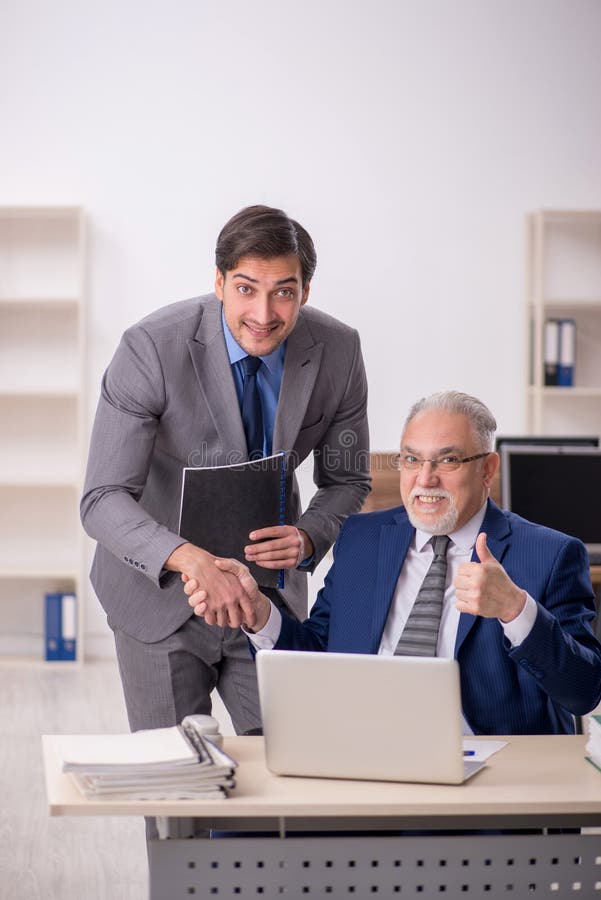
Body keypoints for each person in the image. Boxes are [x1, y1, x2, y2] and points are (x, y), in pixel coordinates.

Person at [81, 204, 370, 741]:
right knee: (176, 797)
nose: (263, 312)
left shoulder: (340, 351)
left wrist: (309, 536)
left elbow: (348, 479)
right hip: (158, 598)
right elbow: (102, 497)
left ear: (305, 291)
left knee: (293, 773)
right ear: (218, 282)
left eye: (283, 291)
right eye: (245, 288)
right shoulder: (150, 348)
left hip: (268, 600)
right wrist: (192, 561)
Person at [185, 390, 601, 735]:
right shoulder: (363, 539)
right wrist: (260, 614)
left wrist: (516, 610)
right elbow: (320, 656)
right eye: (412, 459)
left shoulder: (549, 553)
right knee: (235, 826)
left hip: (488, 776)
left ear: (488, 469)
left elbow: (584, 691)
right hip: (365, 758)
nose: (425, 478)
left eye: (448, 460)